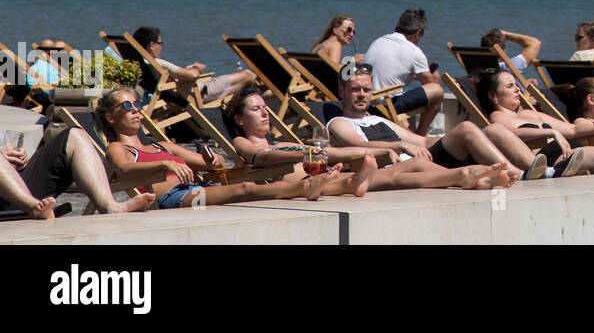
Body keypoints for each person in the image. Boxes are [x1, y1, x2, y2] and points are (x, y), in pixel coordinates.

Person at [97, 88, 358, 208]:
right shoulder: (119, 148)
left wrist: (213, 162)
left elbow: (204, 163)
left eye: (137, 105)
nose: (135, 111)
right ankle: (305, 187)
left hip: (196, 189)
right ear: (111, 117)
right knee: (245, 189)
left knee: (247, 189)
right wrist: (166, 163)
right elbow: (124, 169)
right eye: (127, 107)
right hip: (174, 198)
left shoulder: (161, 144)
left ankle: (344, 184)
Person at [227, 86, 506, 192]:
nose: (265, 114)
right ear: (240, 119)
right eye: (256, 109)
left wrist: (319, 157)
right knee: (396, 177)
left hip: (322, 176)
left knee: (408, 168)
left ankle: (466, 178)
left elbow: (321, 155)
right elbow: (260, 158)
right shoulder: (244, 143)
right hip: (305, 185)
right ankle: (463, 176)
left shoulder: (279, 142)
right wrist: (309, 155)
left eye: (266, 108)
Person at [327, 67, 523, 186]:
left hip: (423, 162)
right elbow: (358, 145)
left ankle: (519, 173)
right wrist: (400, 146)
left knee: (469, 129)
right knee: (457, 137)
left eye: (366, 90)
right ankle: (496, 177)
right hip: (398, 169)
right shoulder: (338, 123)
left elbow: (422, 141)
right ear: (342, 91)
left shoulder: (378, 120)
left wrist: (453, 139)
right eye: (355, 90)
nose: (362, 94)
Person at [0, 125, 156, 219]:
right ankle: (32, 207)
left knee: (75, 135)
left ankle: (109, 206)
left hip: (11, 185)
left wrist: (14, 154)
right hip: (13, 202)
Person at [363, 9, 443, 136]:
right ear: (418, 32)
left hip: (367, 101)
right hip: (385, 104)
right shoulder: (414, 51)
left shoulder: (380, 40)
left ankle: (406, 129)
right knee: (437, 91)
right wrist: (434, 74)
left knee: (404, 116)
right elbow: (431, 84)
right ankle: (420, 135)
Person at [131, 26, 257, 105]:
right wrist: (197, 68)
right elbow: (192, 76)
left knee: (246, 86)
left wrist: (187, 70)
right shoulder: (157, 62)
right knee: (249, 75)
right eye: (160, 43)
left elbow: (178, 77)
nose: (161, 47)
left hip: (176, 95)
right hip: (198, 93)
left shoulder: (139, 63)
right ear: (152, 45)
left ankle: (251, 101)